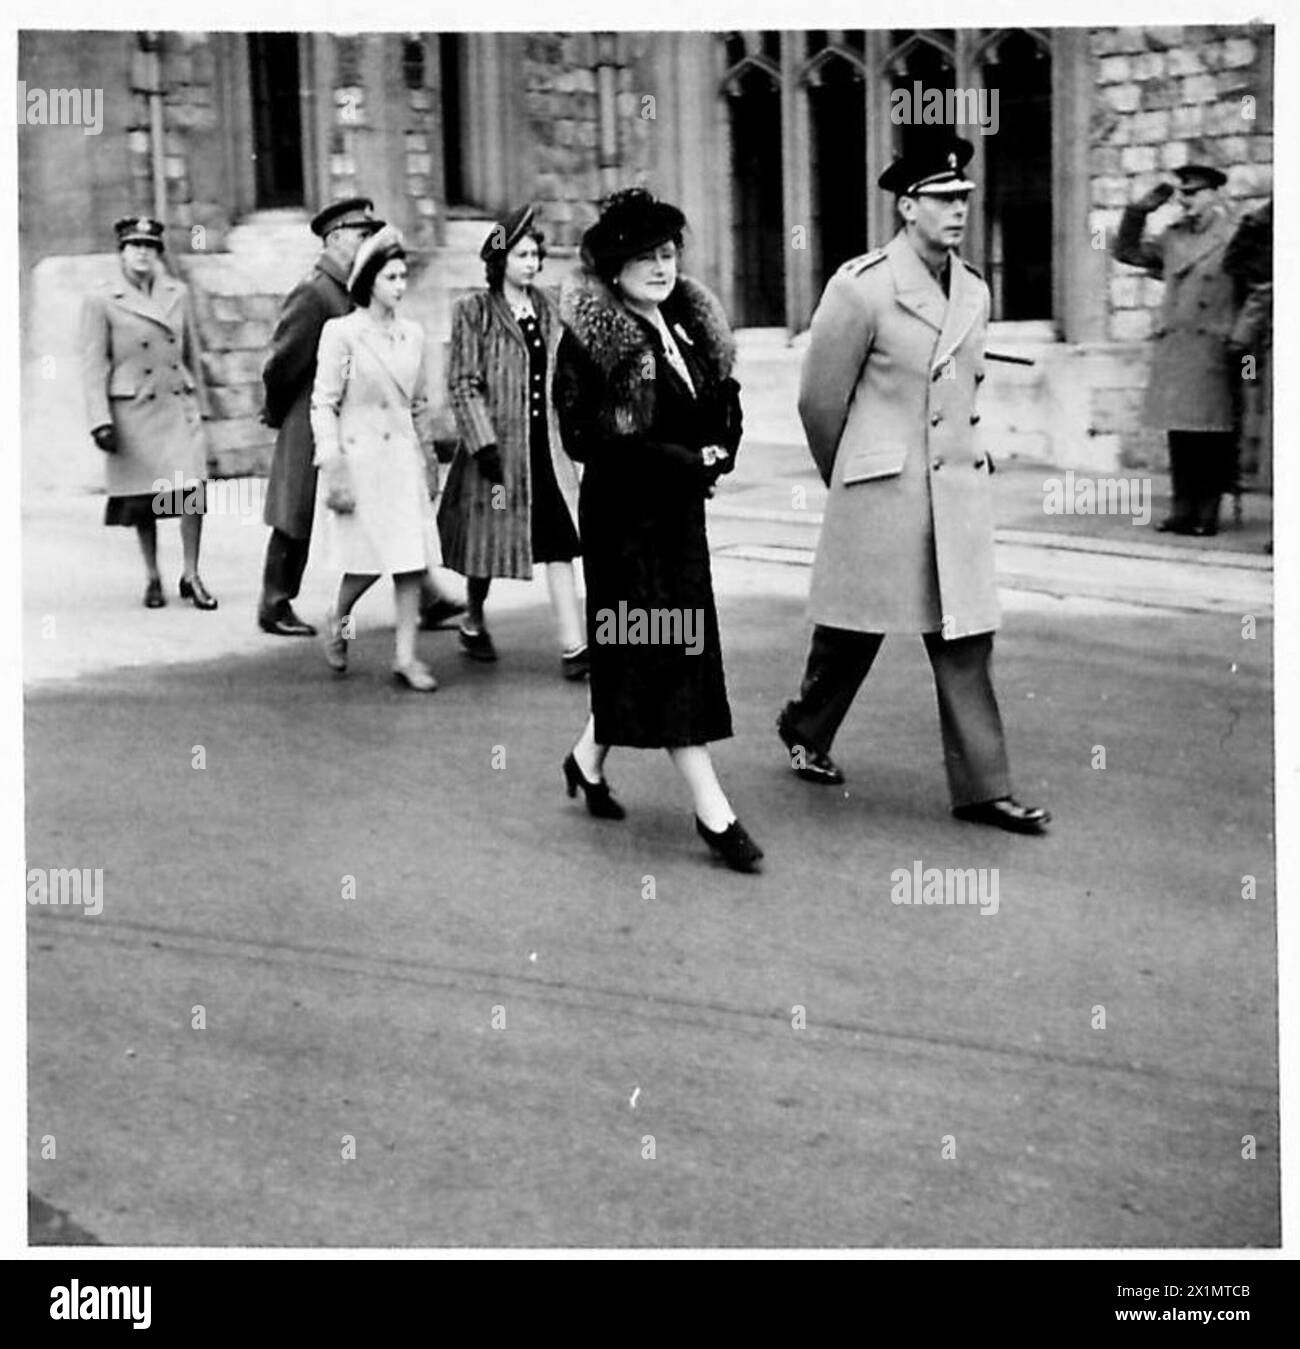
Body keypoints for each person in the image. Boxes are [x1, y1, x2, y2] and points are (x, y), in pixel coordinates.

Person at [776, 136, 1050, 836]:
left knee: (964, 640)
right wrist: (851, 477)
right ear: (906, 206)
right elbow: (818, 400)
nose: (958, 209)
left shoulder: (975, 291)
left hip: (953, 493)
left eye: (963, 197)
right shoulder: (860, 287)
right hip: (881, 488)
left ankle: (984, 788)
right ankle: (807, 726)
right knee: (850, 632)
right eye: (942, 199)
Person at [554, 187, 762, 872]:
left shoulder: (685, 328)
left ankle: (586, 759)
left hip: (676, 517)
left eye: (667, 253)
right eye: (643, 256)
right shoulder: (593, 339)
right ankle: (714, 811)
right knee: (669, 651)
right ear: (614, 267)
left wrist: (719, 447)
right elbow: (585, 436)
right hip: (625, 521)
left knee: (646, 648)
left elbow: (717, 402)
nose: (660, 266)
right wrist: (678, 459)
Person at [260, 197, 463, 636]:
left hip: (359, 416)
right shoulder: (316, 292)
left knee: (385, 508)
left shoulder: (354, 287)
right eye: (360, 235)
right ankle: (274, 602)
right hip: (311, 410)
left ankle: (427, 597)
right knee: (294, 512)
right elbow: (282, 362)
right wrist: (279, 411)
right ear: (333, 239)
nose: (367, 242)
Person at [436, 205, 586, 676]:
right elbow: (462, 382)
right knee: (487, 544)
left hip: (546, 448)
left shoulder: (550, 306)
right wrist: (482, 443)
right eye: (521, 254)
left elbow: (566, 374)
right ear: (500, 260)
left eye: (535, 254)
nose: (531, 262)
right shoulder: (474, 312)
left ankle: (574, 647)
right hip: (497, 456)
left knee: (561, 541)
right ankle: (474, 620)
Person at [310, 225, 441, 691]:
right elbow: (324, 401)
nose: (400, 286)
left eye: (404, 276)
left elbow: (419, 404)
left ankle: (405, 657)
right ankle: (338, 618)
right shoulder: (343, 334)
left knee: (411, 560)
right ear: (369, 281)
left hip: (401, 457)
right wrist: (332, 462)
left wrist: (428, 459)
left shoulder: (414, 335)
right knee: (365, 561)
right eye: (391, 277)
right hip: (359, 459)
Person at [79, 216, 216, 610]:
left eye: (149, 247)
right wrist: (99, 419)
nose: (142, 254)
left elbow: (192, 354)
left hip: (176, 403)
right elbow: (93, 363)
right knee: (144, 498)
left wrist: (202, 405)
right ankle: (153, 575)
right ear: (121, 251)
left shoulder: (179, 292)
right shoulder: (102, 298)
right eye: (134, 246)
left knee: (191, 492)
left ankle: (191, 574)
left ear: (158, 253)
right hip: (133, 409)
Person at [1113, 161, 1241, 536]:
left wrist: (1243, 343)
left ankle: (1207, 513)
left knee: (1212, 434)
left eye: (1195, 193)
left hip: (1215, 344)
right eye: (1182, 193)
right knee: (1181, 435)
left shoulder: (1234, 235)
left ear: (1216, 194)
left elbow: (1257, 286)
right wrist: (1138, 212)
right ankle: (1182, 510)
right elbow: (1127, 252)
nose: (1186, 200)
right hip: (1177, 345)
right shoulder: (1173, 237)